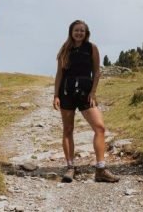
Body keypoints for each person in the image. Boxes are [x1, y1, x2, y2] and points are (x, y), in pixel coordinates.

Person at [53, 19, 119, 183]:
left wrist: (93, 92)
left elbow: (96, 72)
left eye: (82, 30)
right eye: (76, 30)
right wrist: (56, 95)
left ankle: (101, 169)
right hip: (66, 92)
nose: (79, 33)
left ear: (86, 33)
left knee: (100, 127)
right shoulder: (64, 50)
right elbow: (59, 74)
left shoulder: (92, 48)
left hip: (86, 93)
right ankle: (70, 167)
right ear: (71, 32)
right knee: (68, 130)